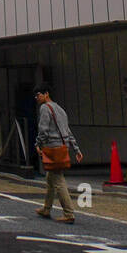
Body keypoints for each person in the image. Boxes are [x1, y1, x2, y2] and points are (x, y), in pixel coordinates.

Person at [34, 83, 83, 223]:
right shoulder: (60, 109)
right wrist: (76, 149)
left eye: (38, 95)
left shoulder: (45, 108)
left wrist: (38, 144)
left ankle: (69, 213)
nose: (37, 98)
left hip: (52, 148)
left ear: (46, 94)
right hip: (63, 147)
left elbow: (43, 130)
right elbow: (67, 131)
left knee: (58, 180)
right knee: (51, 179)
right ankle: (46, 208)